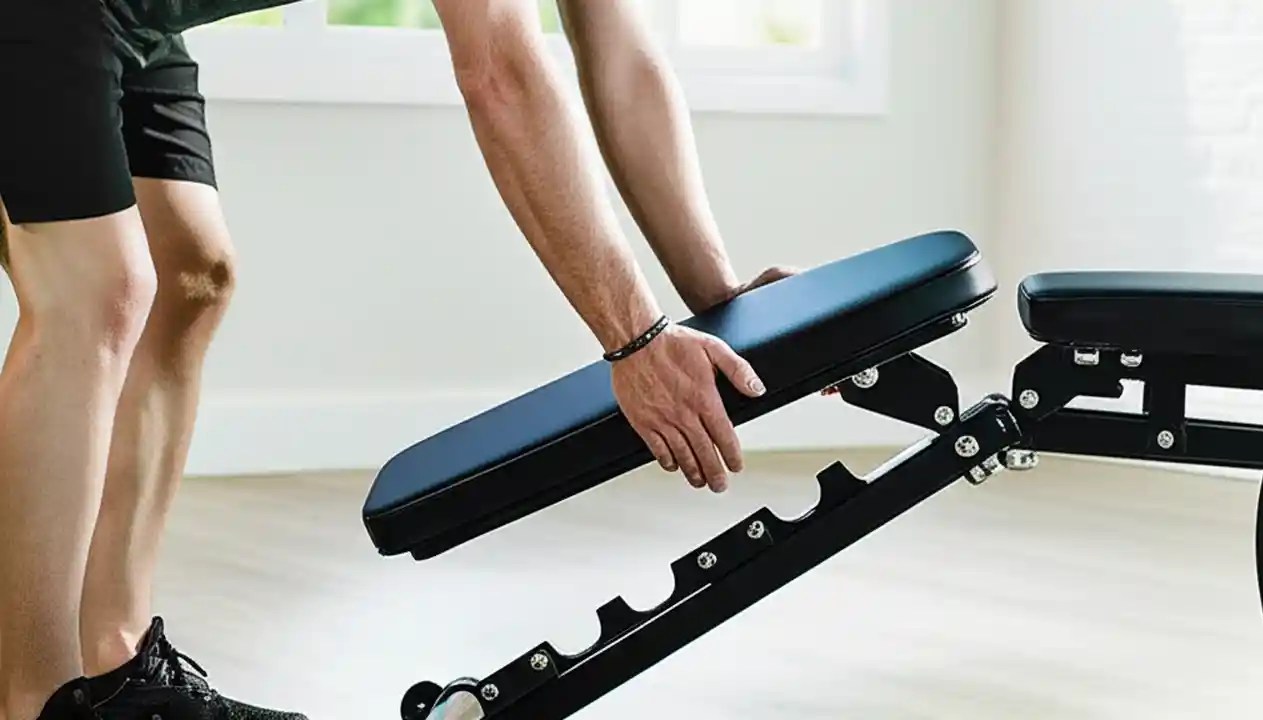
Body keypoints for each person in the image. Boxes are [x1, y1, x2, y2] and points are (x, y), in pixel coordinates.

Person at [0, 0, 789, 718]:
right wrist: (637, 338)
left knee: (192, 277)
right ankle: (34, 701)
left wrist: (717, 295)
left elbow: (624, 59)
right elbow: (500, 71)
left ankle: (118, 672)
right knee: (97, 291)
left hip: (128, 18)